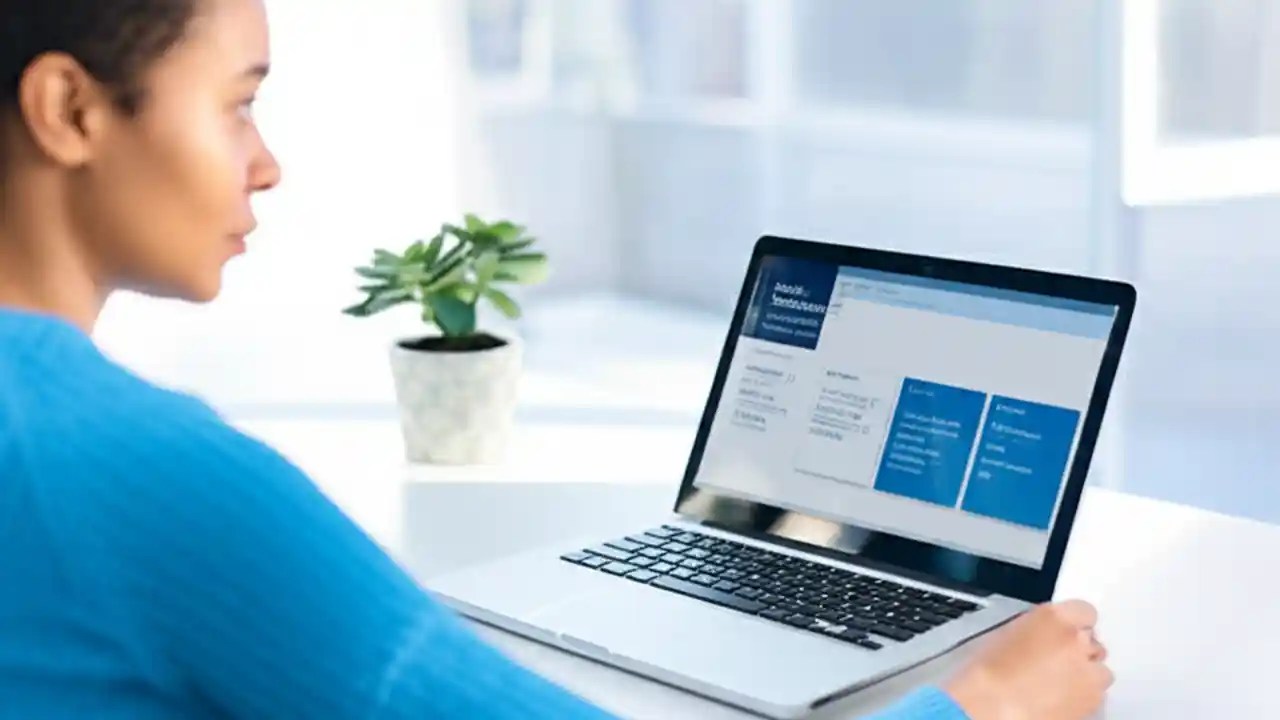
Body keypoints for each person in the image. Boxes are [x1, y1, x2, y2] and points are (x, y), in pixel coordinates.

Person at [0, 1, 1114, 718]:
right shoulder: (137, 471)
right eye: (238, 105)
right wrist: (985, 704)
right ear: (69, 109)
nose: (267, 163)